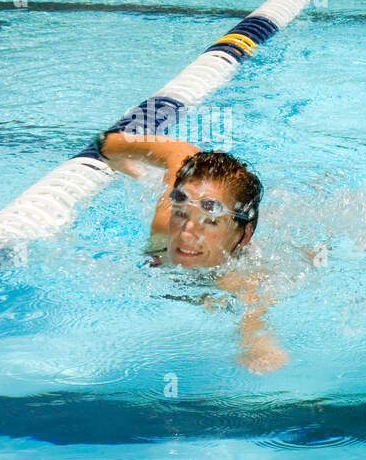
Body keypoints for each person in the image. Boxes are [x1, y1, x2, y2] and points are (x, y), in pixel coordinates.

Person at [98, 129, 287, 373]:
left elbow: (252, 315)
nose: (186, 233)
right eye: (181, 214)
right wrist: (109, 147)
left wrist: (257, 346)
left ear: (245, 234)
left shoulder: (236, 279)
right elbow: (179, 152)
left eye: (210, 221)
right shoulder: (163, 231)